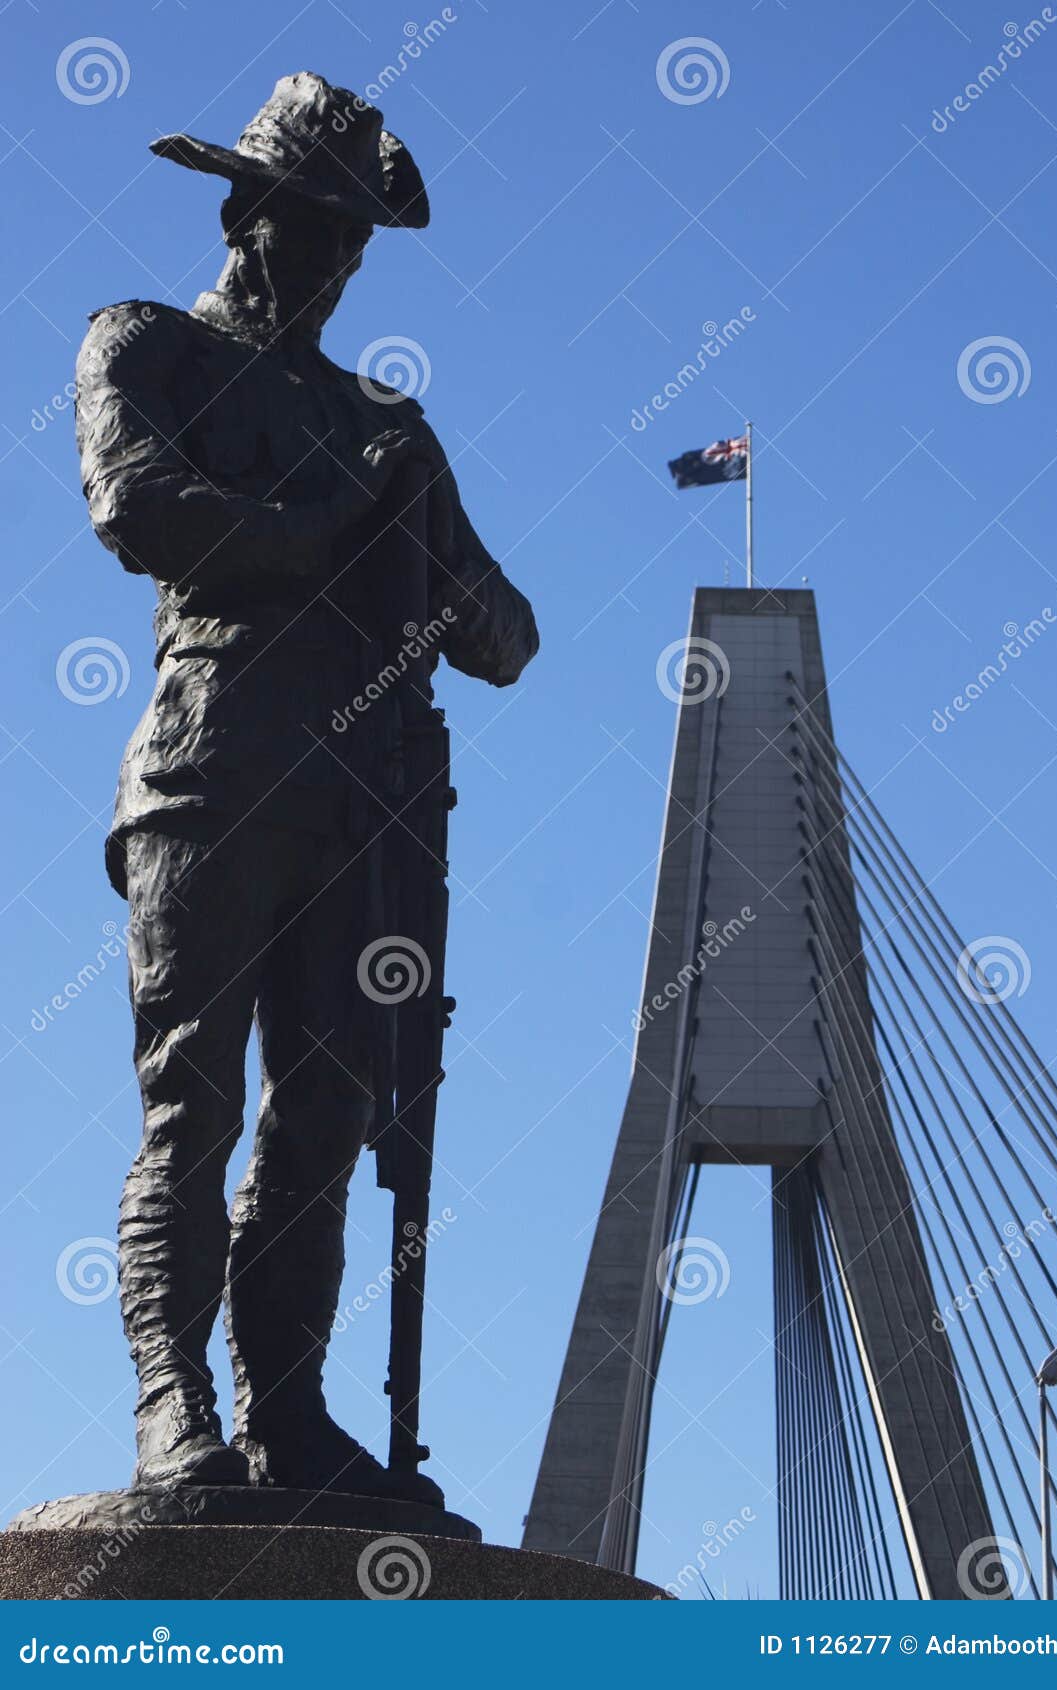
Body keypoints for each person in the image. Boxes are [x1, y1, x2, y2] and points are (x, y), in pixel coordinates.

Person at [74, 71, 538, 1502]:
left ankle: (288, 1411)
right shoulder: (146, 345)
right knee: (192, 1100)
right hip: (210, 770)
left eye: (356, 242)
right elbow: (142, 510)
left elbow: (507, 638)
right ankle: (177, 1404)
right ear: (244, 212)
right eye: (318, 228)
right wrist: (345, 523)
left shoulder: (381, 421)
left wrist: (427, 541)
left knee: (325, 1111)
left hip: (362, 806)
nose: (339, 264)